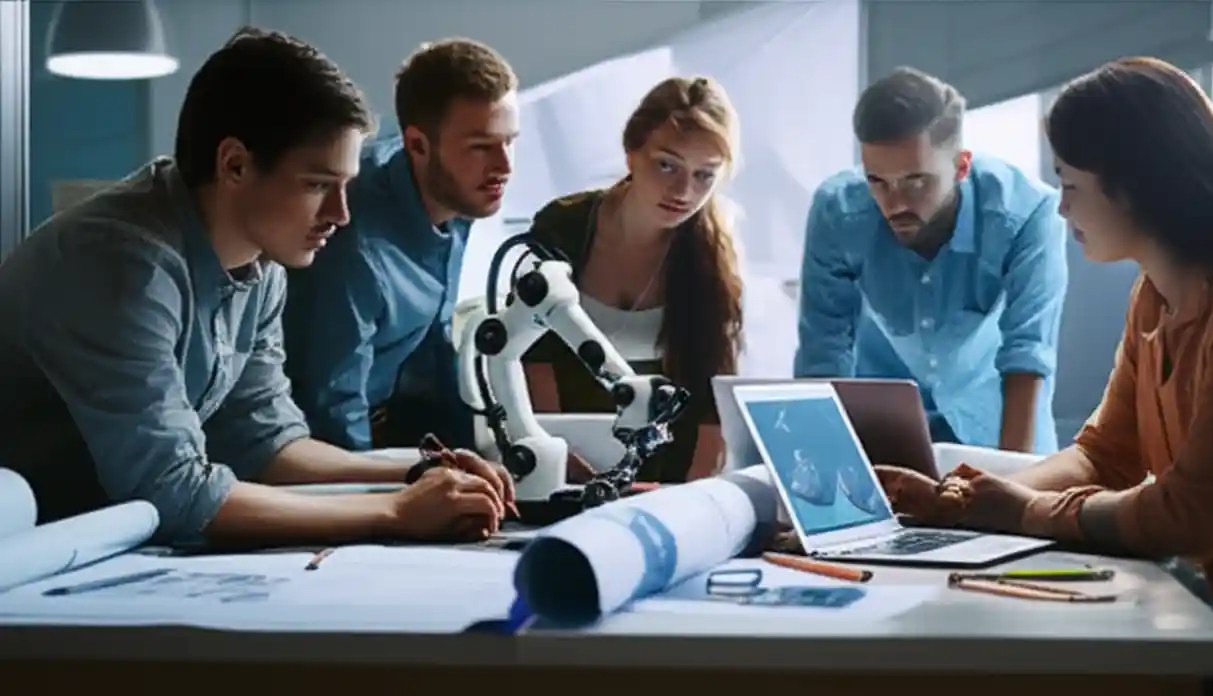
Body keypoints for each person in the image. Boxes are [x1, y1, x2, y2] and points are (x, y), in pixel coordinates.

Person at [0, 27, 514, 548]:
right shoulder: (124, 266)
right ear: (235, 164)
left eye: (345, 186)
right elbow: (174, 493)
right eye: (317, 185)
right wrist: (394, 511)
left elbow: (268, 445)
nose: (340, 214)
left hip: (86, 540)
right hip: (23, 550)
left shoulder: (262, 270)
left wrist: (422, 470)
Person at [876, 58, 1213, 696]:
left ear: (1134, 185)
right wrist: (962, 502)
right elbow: (1105, 454)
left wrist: (1027, 511)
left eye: (1069, 183)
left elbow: (1191, 518)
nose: (1061, 205)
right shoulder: (1154, 298)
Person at [794, 67, 1068, 455]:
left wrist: (1014, 480)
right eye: (877, 181)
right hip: (888, 433)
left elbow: (1028, 352)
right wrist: (817, 466)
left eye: (916, 181)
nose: (895, 204)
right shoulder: (837, 211)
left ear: (961, 166)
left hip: (998, 427)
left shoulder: (1027, 213)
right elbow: (823, 352)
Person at [282, 37, 519, 452]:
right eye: (481, 147)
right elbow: (333, 407)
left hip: (401, 415)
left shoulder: (458, 192)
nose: (504, 166)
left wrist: (503, 449)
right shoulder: (354, 245)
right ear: (418, 145)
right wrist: (377, 490)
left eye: (510, 141)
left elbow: (436, 349)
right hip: (318, 441)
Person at [522, 76, 745, 484]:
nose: (683, 191)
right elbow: (534, 358)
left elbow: (713, 404)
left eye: (704, 175)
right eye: (667, 165)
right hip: (568, 462)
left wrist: (690, 496)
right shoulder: (563, 227)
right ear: (632, 152)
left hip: (667, 474)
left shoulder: (712, 255)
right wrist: (560, 463)